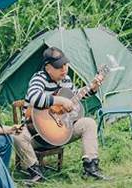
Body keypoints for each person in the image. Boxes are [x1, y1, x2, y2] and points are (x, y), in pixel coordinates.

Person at [12, 47, 109, 182]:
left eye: (65, 64)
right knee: (17, 135)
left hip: (60, 132)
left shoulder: (66, 80)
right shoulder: (38, 79)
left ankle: (91, 167)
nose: (64, 69)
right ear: (48, 68)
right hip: (35, 136)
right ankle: (35, 171)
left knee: (88, 123)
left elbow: (76, 96)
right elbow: (34, 97)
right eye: (59, 66)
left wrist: (92, 88)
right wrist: (60, 100)